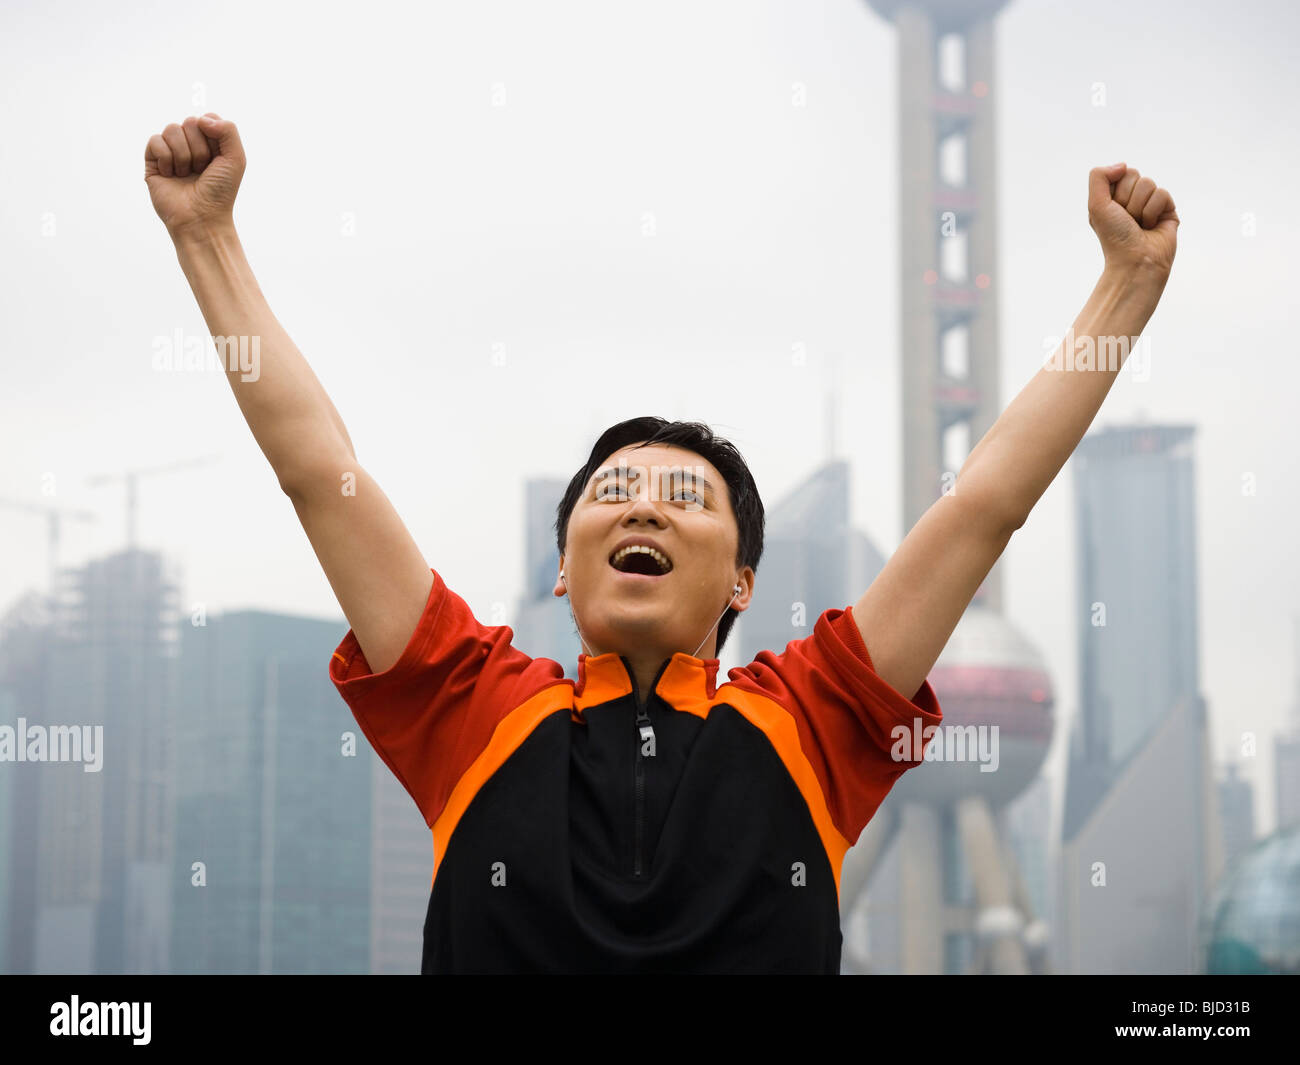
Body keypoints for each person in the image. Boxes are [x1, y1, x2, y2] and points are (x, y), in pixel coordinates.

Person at [145, 113, 1178, 973]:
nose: (643, 509)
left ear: (741, 578)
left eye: (685, 495)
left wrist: (1124, 286)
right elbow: (318, 475)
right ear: (561, 565)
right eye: (614, 492)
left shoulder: (811, 722)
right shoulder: (471, 712)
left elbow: (980, 508)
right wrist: (206, 237)